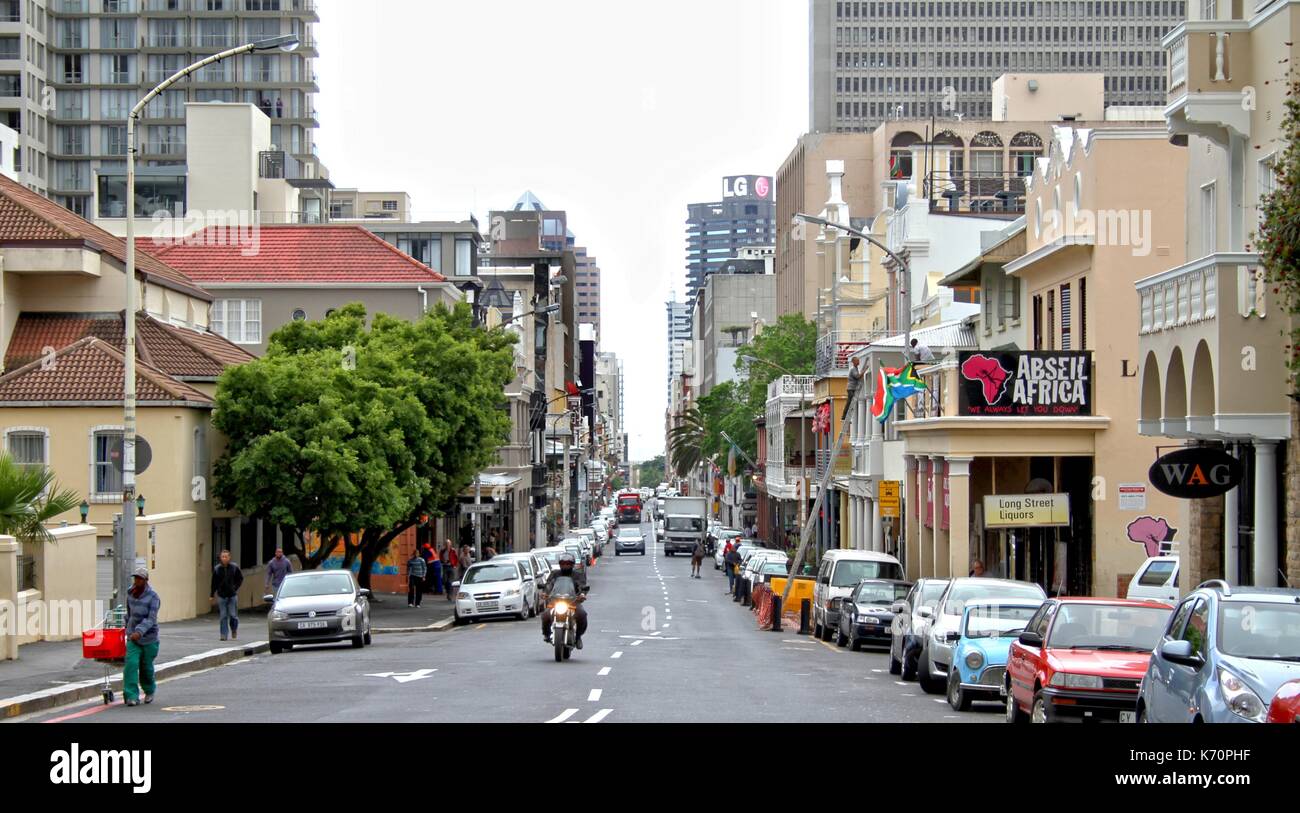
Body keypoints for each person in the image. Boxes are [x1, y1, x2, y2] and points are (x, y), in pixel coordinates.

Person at [123, 566, 160, 707]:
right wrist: (128, 629)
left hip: (149, 638)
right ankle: (131, 695)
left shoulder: (154, 597)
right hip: (133, 637)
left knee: (146, 668)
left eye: (139, 578)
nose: (136, 581)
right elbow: (129, 613)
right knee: (131, 665)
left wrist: (140, 631)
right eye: (135, 578)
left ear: (146, 580)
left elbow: (151, 619)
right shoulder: (130, 593)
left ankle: (149, 690)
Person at [540, 552, 588, 648]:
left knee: (582, 614)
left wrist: (582, 594)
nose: (565, 565)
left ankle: (578, 637)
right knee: (545, 615)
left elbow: (582, 585)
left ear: (572, 565)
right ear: (560, 564)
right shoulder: (555, 574)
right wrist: (545, 592)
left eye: (568, 564)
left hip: (573, 601)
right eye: (563, 563)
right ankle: (546, 634)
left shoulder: (578, 575)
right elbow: (549, 584)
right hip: (556, 601)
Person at [210, 549, 243, 641]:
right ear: (220, 558)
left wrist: (235, 588)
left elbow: (240, 579)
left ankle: (234, 629)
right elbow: (214, 583)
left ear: (229, 557)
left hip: (232, 595)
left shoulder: (234, 567)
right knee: (223, 616)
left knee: (233, 615)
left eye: (226, 557)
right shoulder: (217, 569)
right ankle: (223, 634)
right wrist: (212, 594)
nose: (224, 558)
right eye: (222, 557)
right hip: (221, 595)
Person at [843, 355, 864, 420]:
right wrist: (864, 371)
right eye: (857, 360)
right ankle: (844, 416)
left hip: (853, 388)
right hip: (851, 388)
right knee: (850, 402)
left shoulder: (856, 368)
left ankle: (846, 415)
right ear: (854, 362)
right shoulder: (853, 369)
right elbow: (857, 377)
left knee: (851, 402)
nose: (859, 361)